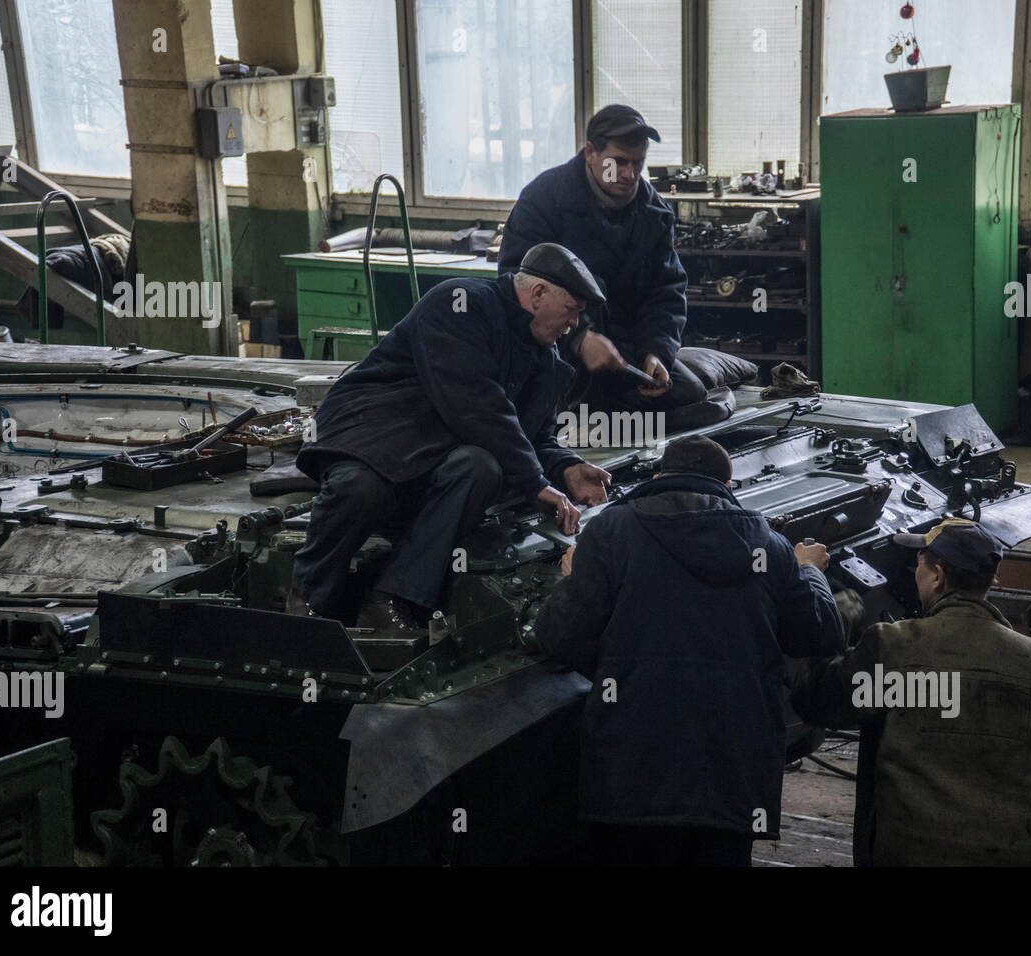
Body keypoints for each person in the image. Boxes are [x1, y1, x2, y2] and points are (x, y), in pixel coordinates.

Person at [534, 435, 848, 866]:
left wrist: (573, 581)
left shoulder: (611, 531)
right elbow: (821, 636)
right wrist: (809, 571)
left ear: (658, 477)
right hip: (731, 773)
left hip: (632, 770)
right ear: (728, 486)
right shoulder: (768, 544)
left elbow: (558, 638)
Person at [290, 243, 613, 637]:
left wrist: (566, 467)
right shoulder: (460, 304)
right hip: (373, 433)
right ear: (538, 294)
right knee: (362, 488)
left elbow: (532, 433)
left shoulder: (544, 359)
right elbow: (476, 404)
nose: (574, 324)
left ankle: (392, 600)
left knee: (479, 467)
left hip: (437, 450)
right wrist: (534, 483)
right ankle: (308, 600)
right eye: (572, 310)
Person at [787, 518, 1031, 866]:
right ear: (990, 580)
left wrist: (830, 611)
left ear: (937, 576)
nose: (915, 574)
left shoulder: (893, 647)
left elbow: (814, 700)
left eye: (919, 565)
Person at [499, 104, 706, 416]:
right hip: (553, 345)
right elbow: (516, 283)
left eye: (638, 163)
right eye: (618, 162)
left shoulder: (655, 214)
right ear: (590, 153)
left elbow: (665, 292)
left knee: (688, 394)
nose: (629, 174)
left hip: (623, 351)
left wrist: (656, 352)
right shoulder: (543, 200)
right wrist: (579, 338)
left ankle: (609, 415)